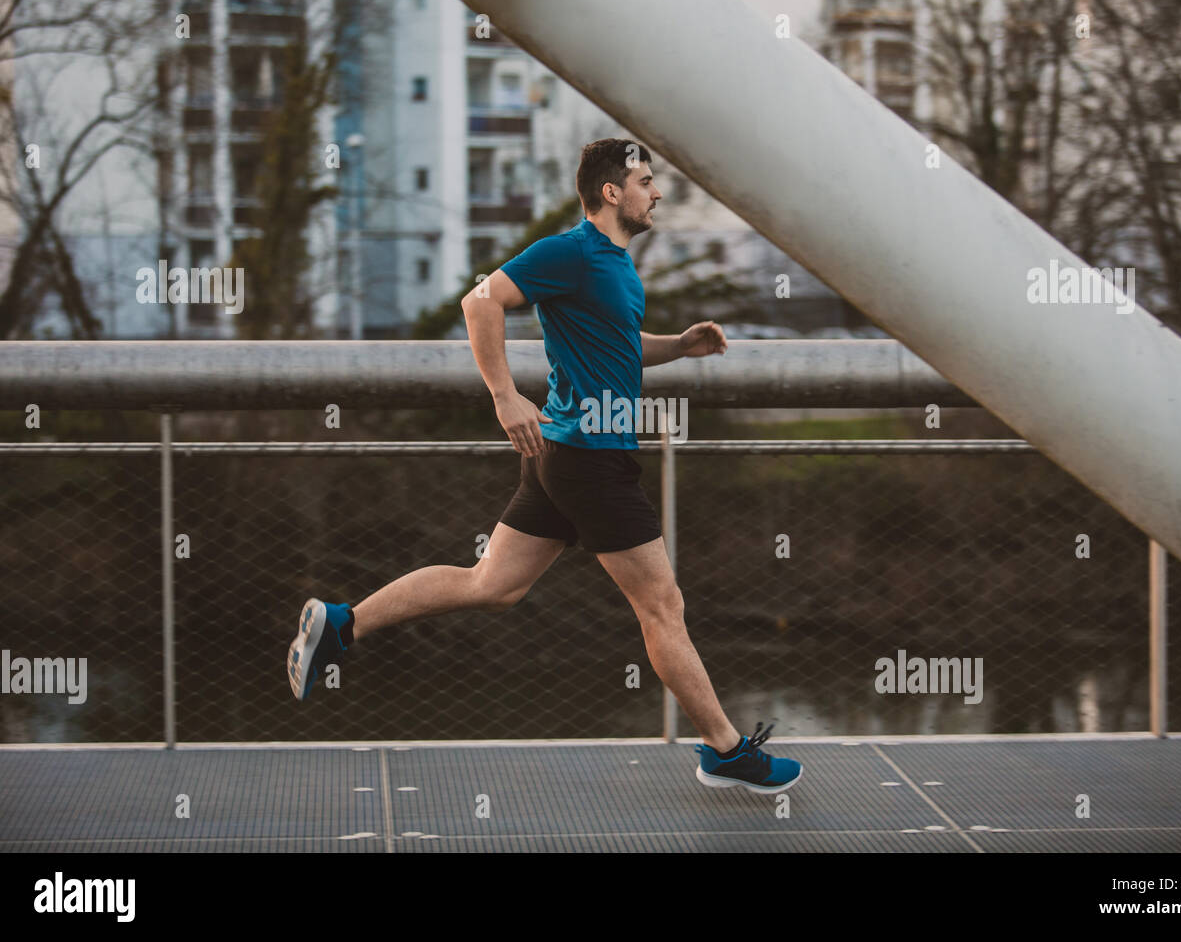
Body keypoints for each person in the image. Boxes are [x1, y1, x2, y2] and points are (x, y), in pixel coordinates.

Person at [287, 138, 802, 794]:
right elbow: (480, 302)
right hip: (588, 460)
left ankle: (342, 624)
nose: (657, 193)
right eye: (646, 181)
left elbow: (614, 346)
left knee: (492, 586)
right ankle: (725, 751)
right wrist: (505, 396)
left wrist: (681, 346)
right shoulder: (573, 251)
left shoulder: (613, 265)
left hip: (565, 456)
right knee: (662, 606)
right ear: (612, 192)